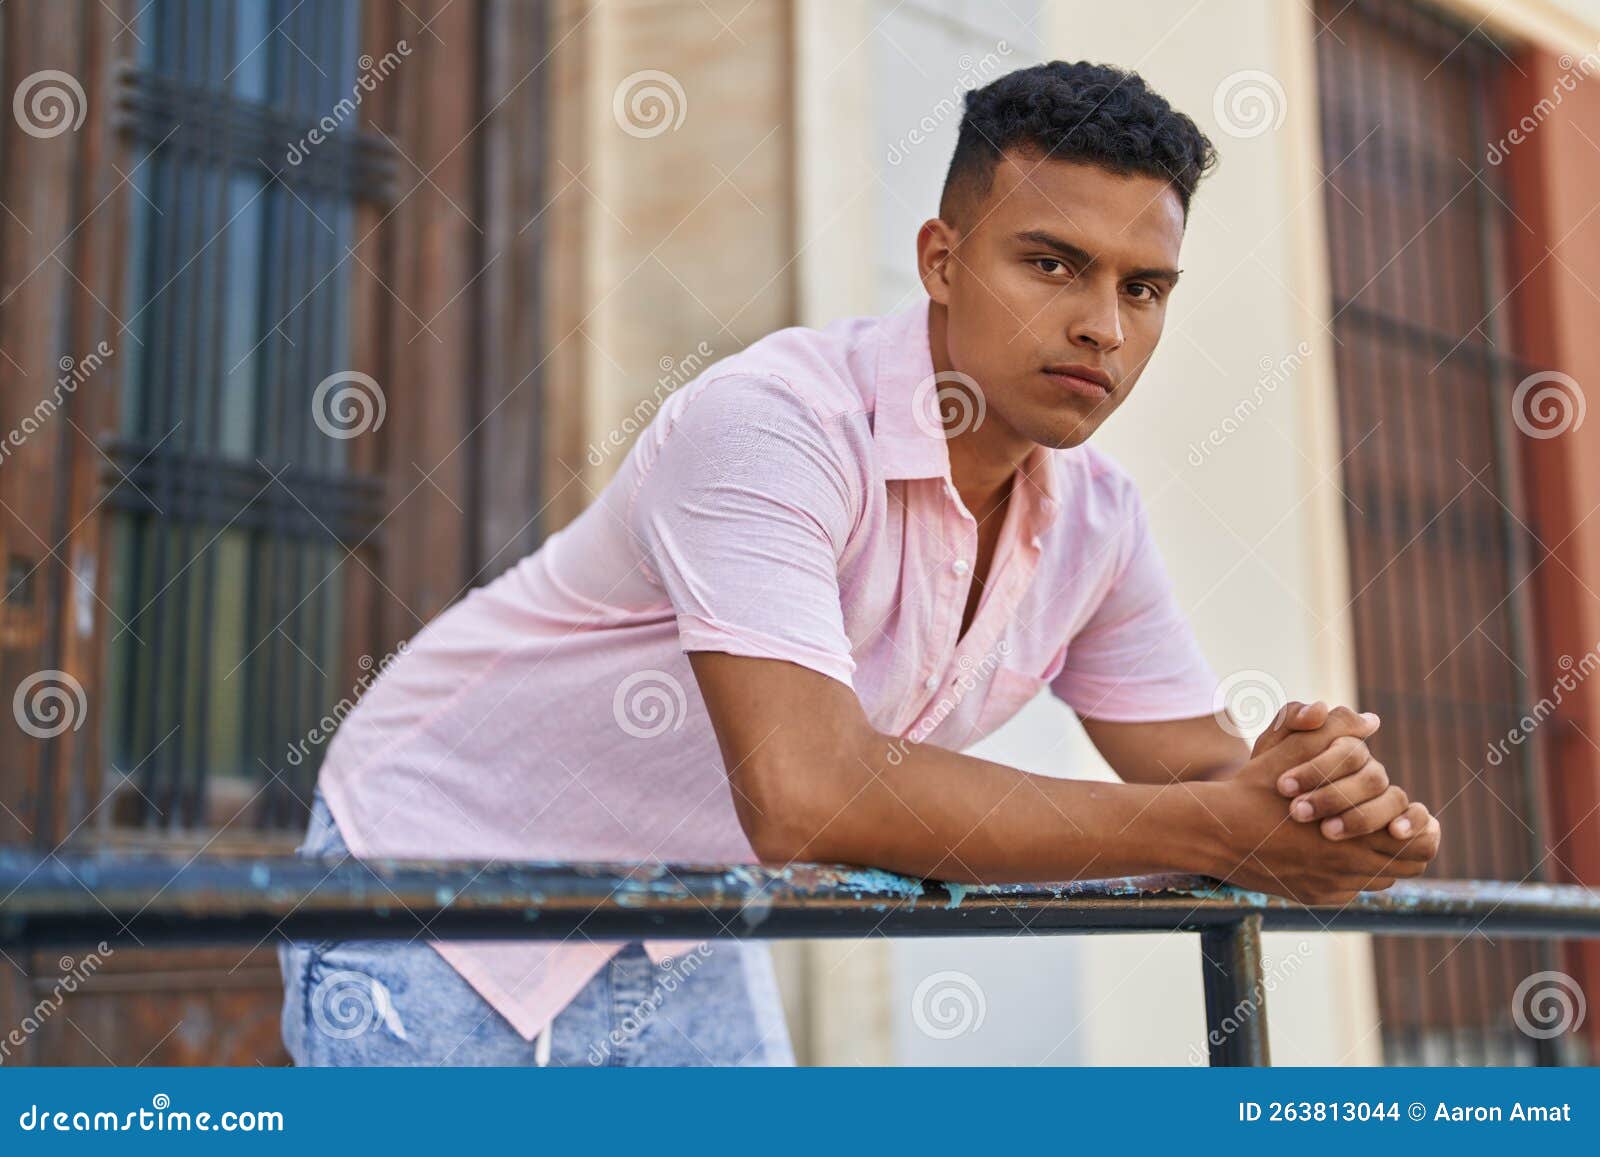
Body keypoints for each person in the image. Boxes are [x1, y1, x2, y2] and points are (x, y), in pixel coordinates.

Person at [279, 59, 1441, 1067]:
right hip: (441, 866)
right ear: (941, 258)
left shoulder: (1099, 517)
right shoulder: (773, 423)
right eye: (1052, 264)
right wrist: (1218, 827)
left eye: (1142, 288)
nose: (1104, 325)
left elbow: (1193, 767)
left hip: (675, 906)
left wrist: (1319, 805)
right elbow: (807, 790)